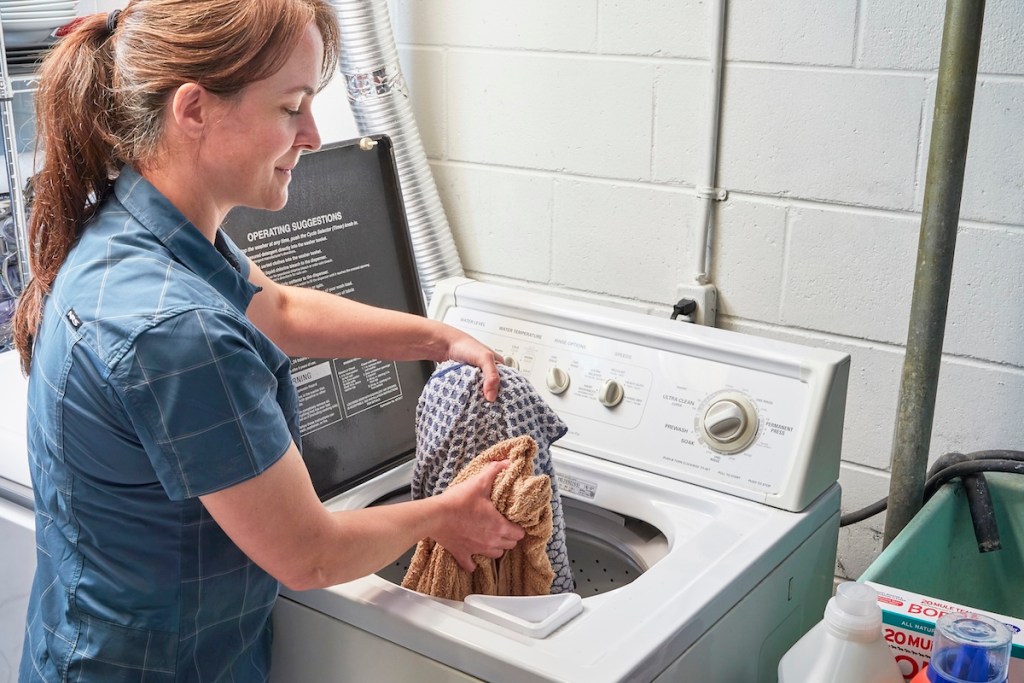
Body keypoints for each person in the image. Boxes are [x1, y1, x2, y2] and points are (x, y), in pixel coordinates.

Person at [10, 1, 525, 680]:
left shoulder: (140, 224)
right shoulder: (180, 333)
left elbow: (277, 307)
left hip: (80, 642)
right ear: (194, 109)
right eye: (292, 107)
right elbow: (309, 554)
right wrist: (444, 516)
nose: (312, 135)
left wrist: (437, 337)